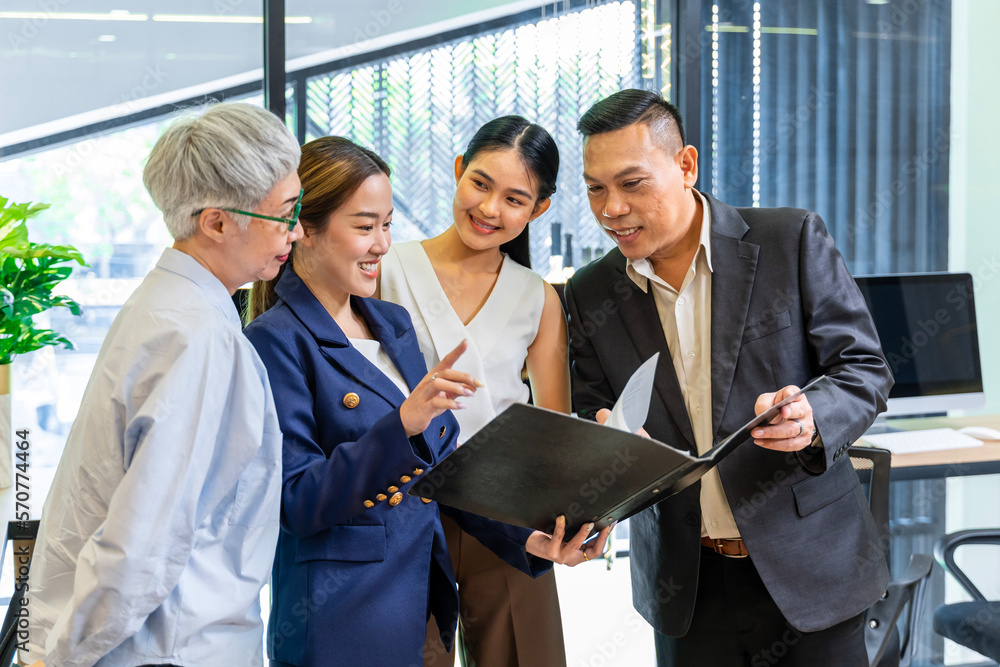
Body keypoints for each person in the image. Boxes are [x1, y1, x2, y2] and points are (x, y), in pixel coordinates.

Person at [243, 136, 609, 667]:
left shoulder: (390, 322)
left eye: (387, 225)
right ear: (303, 227)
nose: (383, 245)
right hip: (346, 617)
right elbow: (297, 502)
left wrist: (528, 540)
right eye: (365, 227)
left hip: (422, 602)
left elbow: (444, 475)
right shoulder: (274, 340)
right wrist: (404, 424)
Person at [563, 89, 892, 666]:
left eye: (632, 183)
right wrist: (608, 456)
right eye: (595, 187)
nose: (610, 207)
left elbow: (863, 368)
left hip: (811, 575)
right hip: (686, 588)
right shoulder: (591, 293)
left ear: (686, 165)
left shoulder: (788, 240)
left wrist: (814, 416)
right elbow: (590, 414)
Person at [23, 102, 303, 667]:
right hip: (169, 648)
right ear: (216, 222)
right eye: (284, 213)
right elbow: (144, 542)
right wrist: (58, 659)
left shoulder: (169, 306)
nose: (296, 231)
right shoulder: (194, 335)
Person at [379, 115, 569, 667]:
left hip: (506, 514)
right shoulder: (385, 268)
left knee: (523, 654)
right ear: (459, 170)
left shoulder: (539, 297)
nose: (489, 209)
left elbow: (554, 431)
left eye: (515, 198)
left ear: (539, 210)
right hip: (402, 505)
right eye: (480, 184)